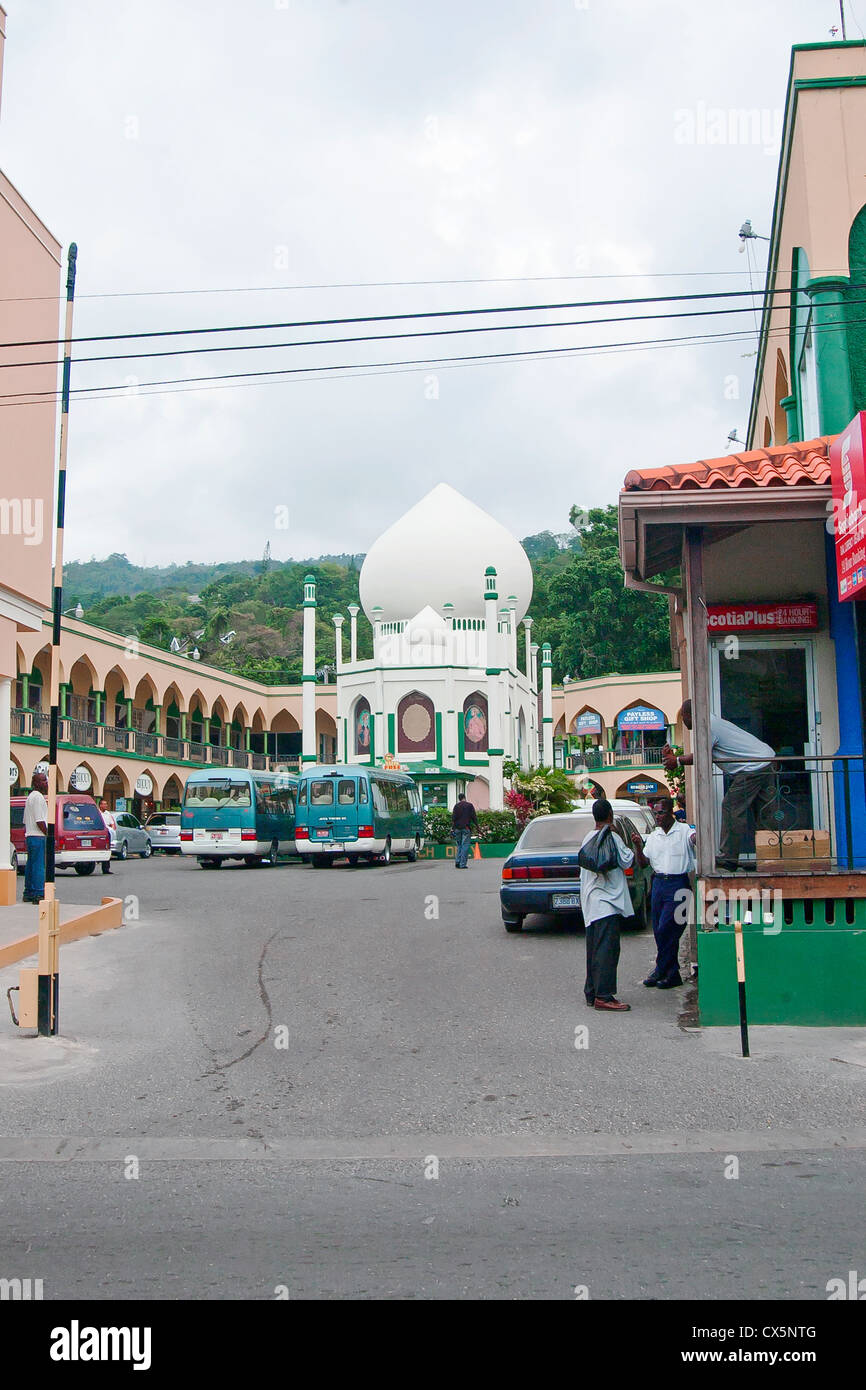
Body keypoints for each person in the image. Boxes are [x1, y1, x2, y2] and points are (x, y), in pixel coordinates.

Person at [663, 699, 775, 871]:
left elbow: (702, 755)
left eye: (684, 718)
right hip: (766, 760)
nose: (684, 723)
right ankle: (768, 859)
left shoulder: (706, 726)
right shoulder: (710, 721)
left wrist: (676, 761)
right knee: (764, 813)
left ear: (689, 715)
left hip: (752, 767)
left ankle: (728, 858)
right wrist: (676, 759)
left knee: (731, 807)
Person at [631, 795, 696, 989]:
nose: (657, 817)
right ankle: (671, 973)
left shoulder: (684, 830)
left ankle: (662, 969)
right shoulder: (654, 836)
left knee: (670, 928)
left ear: (670, 813)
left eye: (660, 813)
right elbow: (644, 863)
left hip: (678, 884)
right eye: (655, 813)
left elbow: (694, 839)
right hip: (659, 883)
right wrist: (637, 846)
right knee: (660, 931)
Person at [579, 798, 633, 1012]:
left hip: (591, 903)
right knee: (608, 950)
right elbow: (627, 861)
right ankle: (604, 996)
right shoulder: (612, 837)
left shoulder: (587, 838)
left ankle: (591, 992)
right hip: (607, 903)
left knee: (594, 949)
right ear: (610, 814)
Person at [22, 771, 49, 904]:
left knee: (31, 865)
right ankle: (39, 893)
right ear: (36, 783)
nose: (46, 783)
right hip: (38, 836)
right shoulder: (38, 797)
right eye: (43, 780)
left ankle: (29, 892)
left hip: (30, 835)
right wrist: (48, 834)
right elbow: (40, 820)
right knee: (39, 866)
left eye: (46, 780)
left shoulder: (30, 797)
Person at [451, 792, 478, 869]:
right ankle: (462, 864)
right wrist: (477, 827)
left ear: (459, 799)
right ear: (464, 797)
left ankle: (457, 861)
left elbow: (453, 818)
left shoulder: (456, 806)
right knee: (465, 846)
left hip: (457, 829)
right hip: (466, 828)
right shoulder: (469, 805)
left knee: (459, 845)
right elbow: (474, 817)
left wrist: (452, 828)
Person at [98, 799, 115, 874]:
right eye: (104, 804)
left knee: (107, 849)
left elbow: (112, 823)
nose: (105, 806)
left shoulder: (108, 814)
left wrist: (112, 829)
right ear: (100, 805)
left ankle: (106, 869)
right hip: (101, 831)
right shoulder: (98, 813)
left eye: (106, 804)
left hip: (108, 832)